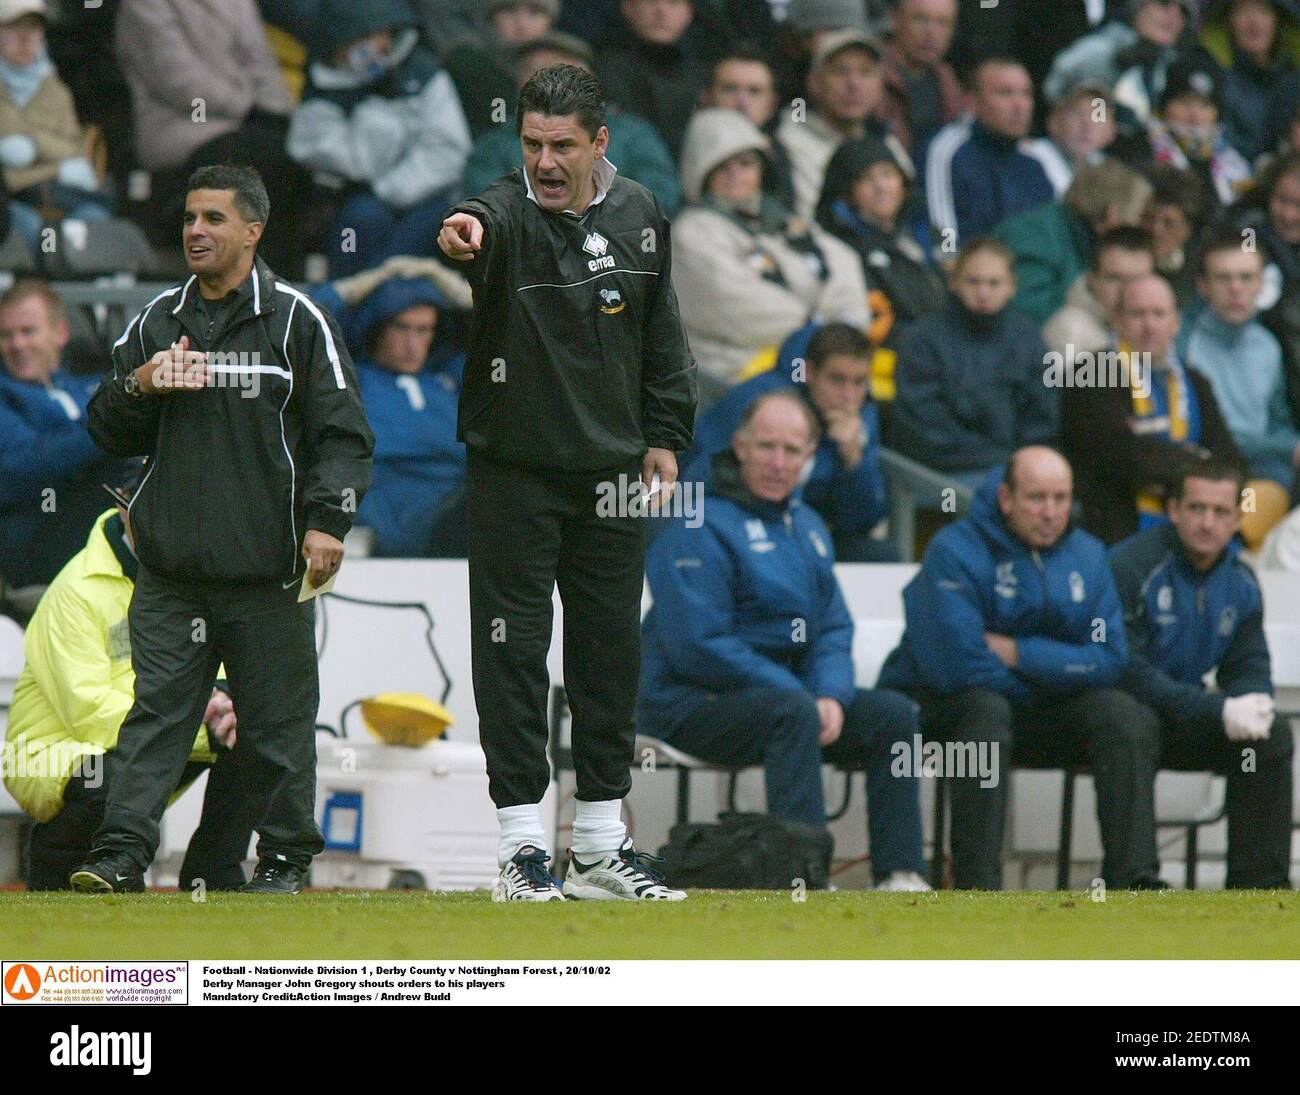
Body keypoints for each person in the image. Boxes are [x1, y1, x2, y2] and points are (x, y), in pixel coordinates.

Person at [71, 163, 374, 895]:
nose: (195, 232)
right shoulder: (156, 320)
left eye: (212, 219)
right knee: (155, 721)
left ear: (253, 229)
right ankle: (120, 857)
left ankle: (284, 859)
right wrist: (142, 382)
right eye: (187, 220)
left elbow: (344, 436)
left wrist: (328, 521)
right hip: (172, 573)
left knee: (278, 727)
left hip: (268, 571)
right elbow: (104, 425)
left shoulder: (299, 319)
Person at [438, 64, 697, 901]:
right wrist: (463, 230)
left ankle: (596, 846)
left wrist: (666, 435)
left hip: (614, 473)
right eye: (531, 144)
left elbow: (663, 335)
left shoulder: (641, 215)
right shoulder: (505, 212)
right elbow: (478, 214)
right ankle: (519, 849)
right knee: (512, 654)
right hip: (514, 468)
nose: (544, 162)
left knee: (608, 654)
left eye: (562, 146)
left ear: (599, 145)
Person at [641, 391, 929, 891]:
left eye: (792, 450)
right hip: (685, 704)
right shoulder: (694, 522)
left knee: (891, 714)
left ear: (811, 457)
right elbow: (698, 643)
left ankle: (900, 875)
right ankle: (804, 875)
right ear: (740, 446)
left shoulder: (809, 526)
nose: (779, 462)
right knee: (791, 713)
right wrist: (799, 695)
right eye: (767, 447)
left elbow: (833, 628)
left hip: (785, 703)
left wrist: (830, 694)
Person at [879, 446, 1163, 890]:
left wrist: (1020, 654)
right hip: (947, 710)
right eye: (1036, 499)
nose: (1050, 512)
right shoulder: (953, 551)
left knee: (1123, 713)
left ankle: (1134, 881)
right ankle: (978, 885)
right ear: (1006, 498)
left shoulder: (1089, 556)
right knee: (985, 712)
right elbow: (959, 666)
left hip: (1035, 707)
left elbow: (1110, 659)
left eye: (1060, 499)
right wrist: (1063, 671)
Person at [3, 476, 257, 892]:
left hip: (147, 738)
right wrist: (197, 724)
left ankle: (213, 872)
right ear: (124, 507)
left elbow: (223, 660)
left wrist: (225, 701)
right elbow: (88, 713)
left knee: (253, 728)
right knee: (108, 778)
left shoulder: (188, 577)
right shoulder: (76, 591)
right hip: (55, 753)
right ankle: (60, 861)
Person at [1110, 453, 1294, 888]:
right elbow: (1124, 668)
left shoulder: (1242, 581)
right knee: (1126, 722)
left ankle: (1258, 885)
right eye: (1196, 509)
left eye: (1220, 512)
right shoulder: (1130, 566)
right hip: (1125, 718)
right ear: (1173, 511)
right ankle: (1136, 881)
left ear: (1236, 519)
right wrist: (1217, 711)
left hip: (1186, 719)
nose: (1207, 523)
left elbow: (1248, 662)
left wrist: (1252, 702)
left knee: (1270, 737)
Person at [673, 107, 869, 401]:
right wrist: (829, 334)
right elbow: (737, 306)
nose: (736, 175)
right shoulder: (690, 231)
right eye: (723, 167)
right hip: (732, 380)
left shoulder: (783, 221)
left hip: (814, 369)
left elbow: (843, 265)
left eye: (746, 163)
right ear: (701, 172)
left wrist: (842, 324)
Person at [287, 0, 472, 276]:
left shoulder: (425, 75)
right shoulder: (324, 85)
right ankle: (352, 304)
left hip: (424, 196)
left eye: (373, 36)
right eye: (357, 38)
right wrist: (377, 123)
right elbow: (315, 149)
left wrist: (390, 189)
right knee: (361, 220)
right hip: (349, 200)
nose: (369, 47)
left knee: (438, 224)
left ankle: (383, 299)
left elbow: (447, 150)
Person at [686, 322, 891, 561]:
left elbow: (860, 523)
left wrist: (854, 460)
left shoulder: (862, 414)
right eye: (837, 379)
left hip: (805, 532)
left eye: (859, 382)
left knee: (881, 554)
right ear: (809, 372)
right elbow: (700, 479)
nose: (849, 395)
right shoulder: (760, 402)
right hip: (740, 524)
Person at [1062, 273, 1243, 543]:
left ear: (1176, 322)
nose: (1149, 326)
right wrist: (1198, 462)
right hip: (1115, 524)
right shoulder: (1089, 372)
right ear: (1118, 320)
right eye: (1138, 314)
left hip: (1194, 522)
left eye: (1159, 314)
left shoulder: (1195, 380)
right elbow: (1121, 456)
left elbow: (1231, 458)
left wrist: (1167, 460)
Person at [115, 0, 296, 269]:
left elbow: (263, 63)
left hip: (247, 124)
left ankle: (275, 279)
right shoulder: (144, 5)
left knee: (295, 153)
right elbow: (175, 79)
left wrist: (279, 113)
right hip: (180, 126)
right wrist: (247, 109)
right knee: (264, 159)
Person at [0, 279, 131, 619]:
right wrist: (109, 423)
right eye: (6, 335)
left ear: (60, 333)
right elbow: (22, 467)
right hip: (37, 546)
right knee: (127, 465)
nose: (16, 344)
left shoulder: (87, 387)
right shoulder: (4, 396)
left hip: (98, 530)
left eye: (28, 331)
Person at [890, 239, 1059, 485]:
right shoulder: (922, 340)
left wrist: (1019, 462)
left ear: (1012, 287)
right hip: (944, 471)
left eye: (994, 283)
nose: (983, 293)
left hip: (1016, 468)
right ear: (954, 282)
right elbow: (922, 426)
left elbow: (1043, 417)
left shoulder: (1028, 338)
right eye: (973, 281)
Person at [461, 29, 680, 216]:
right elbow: (484, 209)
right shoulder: (494, 145)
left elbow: (660, 198)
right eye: (536, 73)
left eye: (562, 72)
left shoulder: (633, 134)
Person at [1180, 230, 1299, 542]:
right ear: (1203, 286)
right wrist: (1290, 447)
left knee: (1259, 511)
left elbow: (1277, 423)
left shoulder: (1268, 345)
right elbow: (1214, 435)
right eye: (1224, 278)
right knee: (1236, 521)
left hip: (1264, 477)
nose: (1236, 289)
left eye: (1246, 278)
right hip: (1207, 475)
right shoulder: (1183, 345)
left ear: (1261, 284)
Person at [0, 0, 111, 251]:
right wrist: (57, 166)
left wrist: (33, 144)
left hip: (56, 197)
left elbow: (76, 153)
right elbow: (9, 169)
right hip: (11, 203)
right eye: (13, 27)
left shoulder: (56, 90)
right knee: (28, 228)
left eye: (34, 28)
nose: (25, 38)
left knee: (94, 219)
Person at [815, 136, 946, 347]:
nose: (881, 186)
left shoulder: (929, 235)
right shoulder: (840, 249)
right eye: (866, 178)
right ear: (846, 193)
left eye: (888, 174)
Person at [993, 159, 1153, 325]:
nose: (1144, 227)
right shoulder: (1035, 236)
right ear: (1112, 214)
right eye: (1140, 216)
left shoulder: (1082, 237)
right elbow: (1029, 312)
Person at [776, 28, 912, 222]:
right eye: (840, 72)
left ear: (880, 84)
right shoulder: (789, 142)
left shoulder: (885, 139)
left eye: (865, 72)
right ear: (814, 82)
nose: (854, 84)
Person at [924, 56, 1053, 251]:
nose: (1019, 106)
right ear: (971, 101)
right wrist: (949, 260)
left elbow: (1048, 238)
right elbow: (943, 237)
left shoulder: (1034, 166)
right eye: (1005, 93)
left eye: (1026, 94)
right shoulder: (948, 151)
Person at [1044, 0, 1199, 132]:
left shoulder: (1159, 66)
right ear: (1138, 6)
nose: (1173, 16)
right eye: (1163, 2)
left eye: (1183, 11)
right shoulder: (1103, 50)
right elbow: (1092, 111)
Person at [595, 0, 705, 160]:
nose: (661, 10)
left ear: (689, 13)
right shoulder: (604, 70)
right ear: (628, 7)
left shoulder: (701, 74)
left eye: (673, 2)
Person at [1197, 0, 1300, 165]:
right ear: (1227, 20)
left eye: (1263, 11)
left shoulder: (1293, 80)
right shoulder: (1209, 73)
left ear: (1278, 19)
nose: (1255, 22)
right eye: (1244, 12)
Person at [1144, 59, 1253, 215]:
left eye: (1205, 105)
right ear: (1164, 106)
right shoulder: (1143, 150)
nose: (1195, 116)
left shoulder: (1235, 164)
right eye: (1185, 102)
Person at [699, 43, 795, 210]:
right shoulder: (683, 146)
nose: (742, 102)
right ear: (706, 97)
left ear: (772, 105)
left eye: (754, 91)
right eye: (730, 89)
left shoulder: (779, 154)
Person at [1044, 225, 1157, 359]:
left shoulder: (1157, 328)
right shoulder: (1069, 330)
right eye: (1115, 278)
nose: (1127, 289)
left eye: (1138, 280)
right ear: (1092, 280)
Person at [876, 0, 964, 158]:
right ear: (895, 19)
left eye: (943, 23)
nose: (932, 32)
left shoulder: (949, 82)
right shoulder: (872, 74)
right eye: (921, 19)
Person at [1025, 82, 1121, 198]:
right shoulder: (1030, 156)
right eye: (1077, 113)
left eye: (1098, 116)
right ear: (1053, 121)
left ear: (1111, 130)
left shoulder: (1105, 167)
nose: (1087, 125)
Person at [1145, 163, 1210, 309]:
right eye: (1149, 218)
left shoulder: (1201, 269)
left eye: (1169, 223)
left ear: (1188, 228)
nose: (1156, 230)